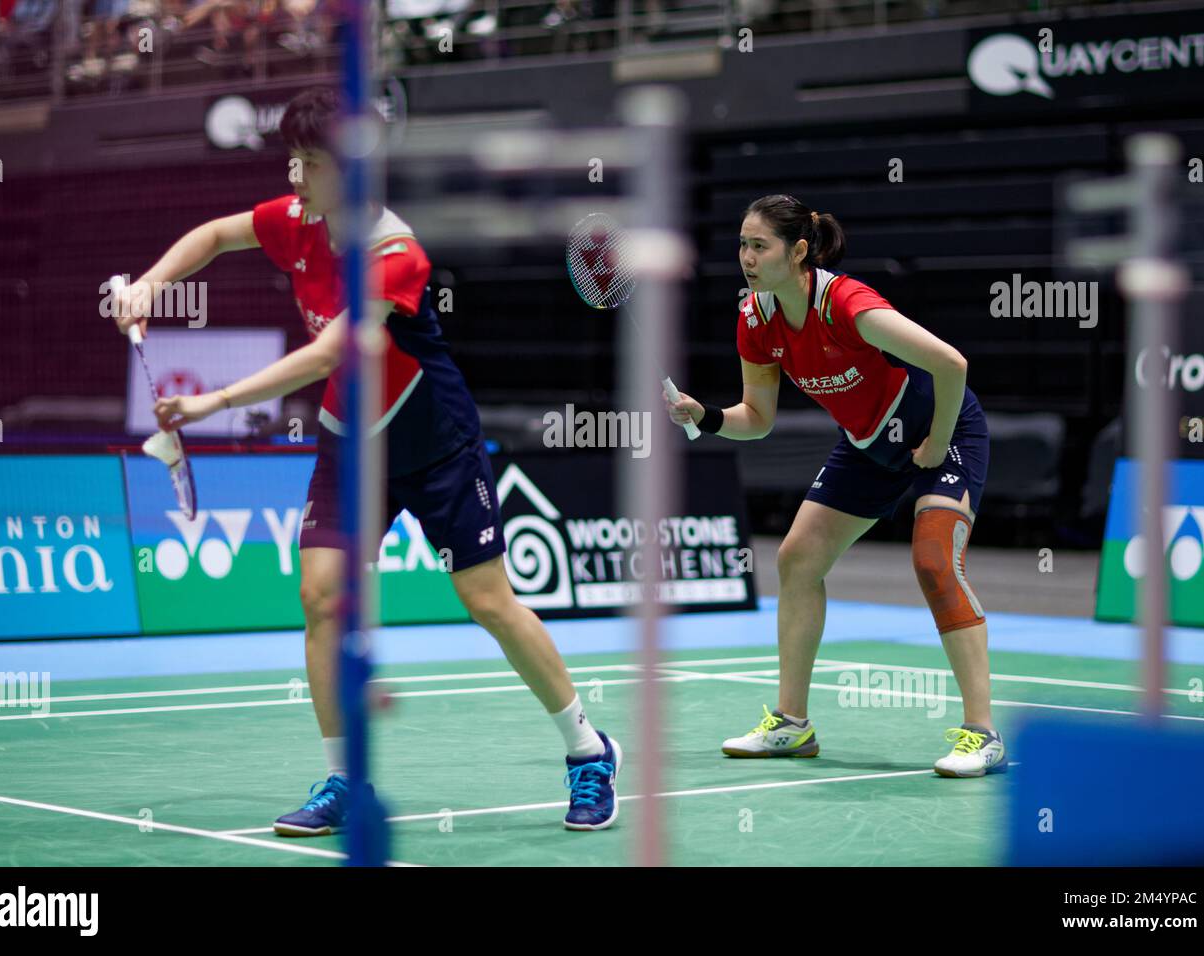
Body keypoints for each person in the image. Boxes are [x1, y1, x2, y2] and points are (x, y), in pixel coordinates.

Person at [113, 86, 622, 833]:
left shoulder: (393, 252)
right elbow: (218, 235)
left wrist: (213, 403)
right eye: (291, 159)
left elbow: (329, 349)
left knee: (487, 601)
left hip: (434, 442)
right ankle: (346, 779)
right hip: (351, 440)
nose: (293, 176)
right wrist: (154, 284)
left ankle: (587, 751)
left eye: (308, 162)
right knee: (319, 597)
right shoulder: (297, 222)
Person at [665, 194, 1006, 778]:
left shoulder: (847, 305)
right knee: (798, 560)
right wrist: (708, 417)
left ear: (798, 251)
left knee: (933, 561)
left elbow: (951, 364)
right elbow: (759, 417)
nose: (746, 257)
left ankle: (983, 734)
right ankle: (791, 726)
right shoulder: (756, 317)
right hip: (870, 443)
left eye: (759, 245)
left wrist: (938, 441)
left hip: (943, 429)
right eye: (742, 244)